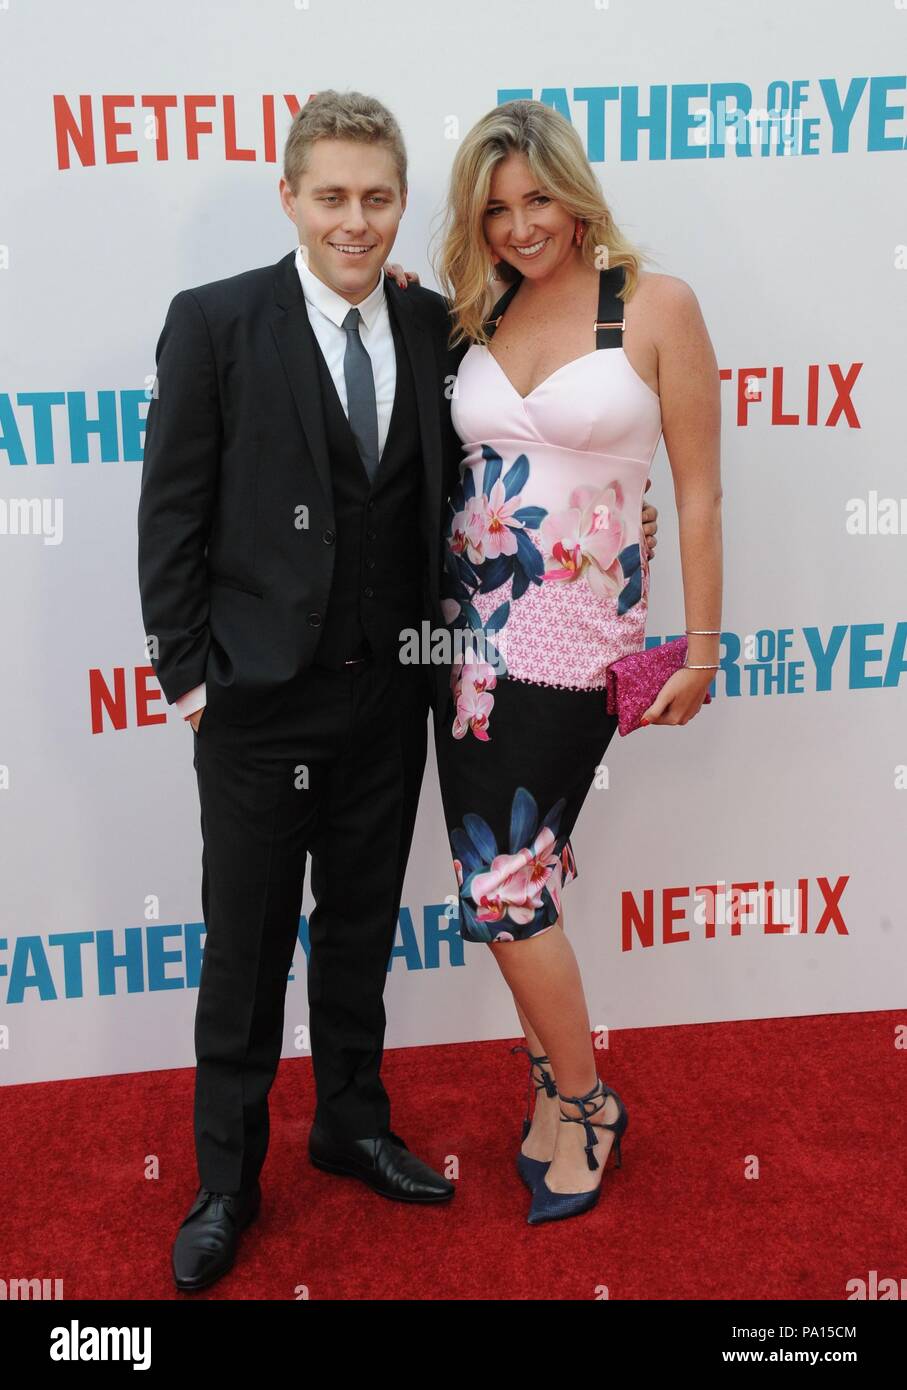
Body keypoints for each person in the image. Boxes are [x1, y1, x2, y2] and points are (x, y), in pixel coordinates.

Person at [137, 90, 472, 1294]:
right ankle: (226, 1180)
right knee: (244, 951)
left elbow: (478, 485)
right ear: (290, 197)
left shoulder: (436, 326)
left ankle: (350, 1121)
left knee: (361, 932)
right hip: (255, 705)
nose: (355, 220)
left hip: (389, 704)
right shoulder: (216, 323)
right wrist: (189, 684)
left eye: (377, 197)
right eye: (331, 196)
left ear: (398, 201)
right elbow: (170, 513)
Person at [430, 99, 722, 1224]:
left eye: (536, 197)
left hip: (575, 641)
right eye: (495, 209)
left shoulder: (654, 304)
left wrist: (700, 643)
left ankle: (592, 1101)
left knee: (505, 888)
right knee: (512, 882)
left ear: (573, 187)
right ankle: (551, 1084)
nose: (518, 225)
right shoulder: (477, 307)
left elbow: (694, 485)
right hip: (463, 647)